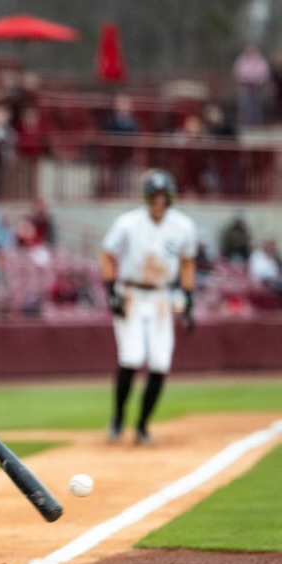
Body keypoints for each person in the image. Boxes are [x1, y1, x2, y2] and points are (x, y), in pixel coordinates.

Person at [100, 169, 196, 446]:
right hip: (131, 292)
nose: (159, 202)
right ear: (146, 198)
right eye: (154, 196)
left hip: (161, 297)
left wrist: (188, 297)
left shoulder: (183, 226)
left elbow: (187, 262)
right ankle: (118, 418)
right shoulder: (128, 223)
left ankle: (142, 425)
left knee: (160, 362)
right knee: (131, 357)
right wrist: (111, 291)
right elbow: (107, 253)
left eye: (163, 196)